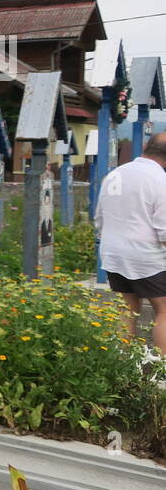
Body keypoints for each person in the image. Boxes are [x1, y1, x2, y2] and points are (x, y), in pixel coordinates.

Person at [95, 131, 166, 352]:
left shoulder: (116, 173)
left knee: (128, 308)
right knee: (163, 310)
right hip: (146, 255)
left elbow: (99, 218)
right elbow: (164, 229)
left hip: (113, 252)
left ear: (146, 146)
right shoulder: (160, 180)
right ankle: (163, 368)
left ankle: (123, 363)